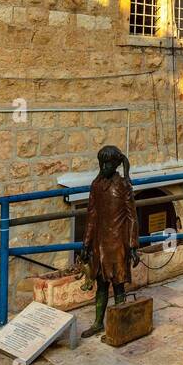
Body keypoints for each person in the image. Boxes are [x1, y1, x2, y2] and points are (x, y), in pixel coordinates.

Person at [78, 145, 140, 338]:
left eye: (107, 163)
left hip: (118, 244)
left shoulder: (123, 185)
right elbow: (91, 215)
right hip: (100, 244)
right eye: (101, 163)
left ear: (115, 164)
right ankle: (98, 322)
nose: (103, 166)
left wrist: (132, 246)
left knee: (118, 285)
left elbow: (132, 217)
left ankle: (118, 325)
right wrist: (86, 243)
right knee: (101, 284)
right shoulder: (96, 186)